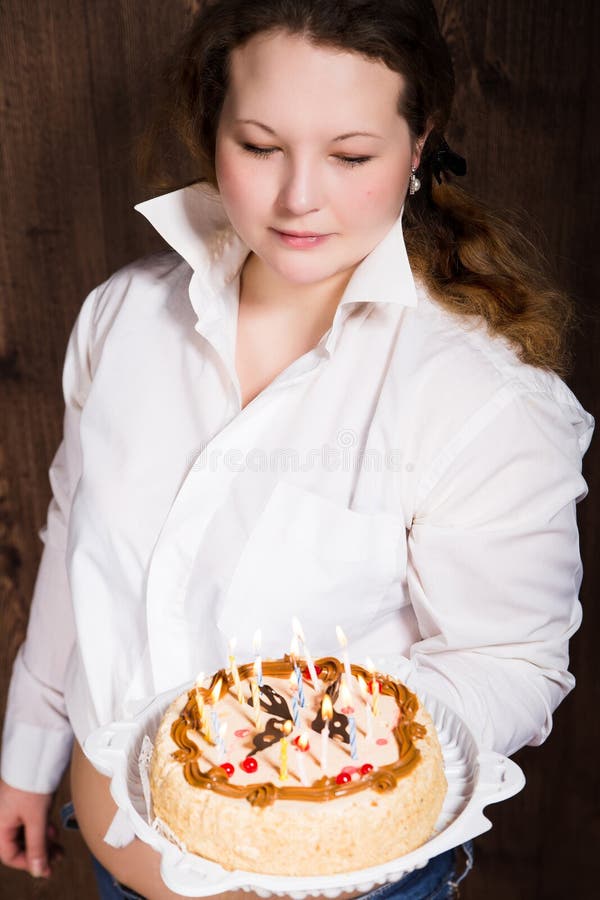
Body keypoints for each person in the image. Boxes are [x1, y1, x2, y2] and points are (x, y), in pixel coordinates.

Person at [0, 1, 593, 898]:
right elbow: (75, 531)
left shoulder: (479, 396)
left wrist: (331, 754)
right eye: (261, 146)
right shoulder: (121, 316)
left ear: (418, 143)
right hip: (105, 850)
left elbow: (514, 660)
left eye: (351, 155)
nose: (299, 196)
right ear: (213, 129)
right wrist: (30, 746)